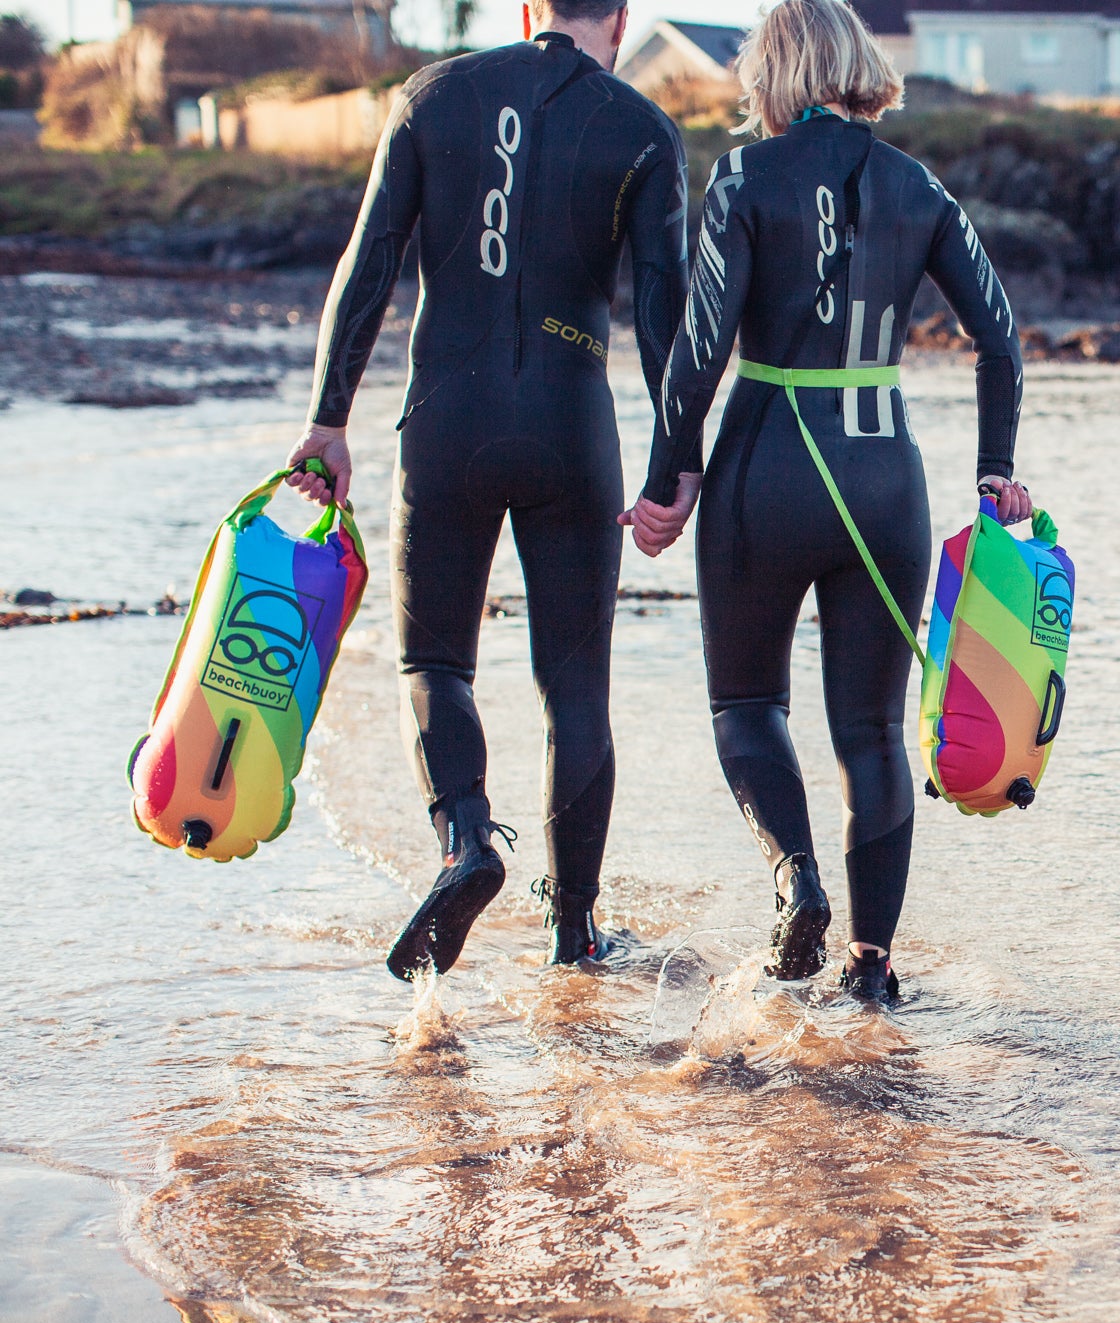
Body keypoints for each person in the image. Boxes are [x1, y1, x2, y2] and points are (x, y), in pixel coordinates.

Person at [622, 0, 1030, 1003]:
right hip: (882, 477)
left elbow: (699, 351)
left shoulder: (745, 178)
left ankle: (795, 878)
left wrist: (669, 475)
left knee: (747, 702)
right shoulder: (918, 186)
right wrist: (995, 475)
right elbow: (1002, 338)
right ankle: (874, 968)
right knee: (872, 733)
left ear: (778, 74)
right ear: (859, 67)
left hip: (767, 466)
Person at [283, 0, 688, 978]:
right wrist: (675, 468)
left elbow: (369, 263)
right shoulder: (642, 131)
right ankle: (574, 932)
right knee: (575, 685)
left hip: (447, 425)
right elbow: (670, 314)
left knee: (433, 661)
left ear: (526, 9)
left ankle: (467, 841)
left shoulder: (431, 97)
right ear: (621, 19)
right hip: (572, 429)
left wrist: (329, 418)